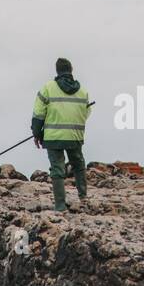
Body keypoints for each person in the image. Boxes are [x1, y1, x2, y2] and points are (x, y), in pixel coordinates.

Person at [31, 58, 91, 212]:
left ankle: (60, 206)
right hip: (74, 135)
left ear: (57, 71)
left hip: (53, 137)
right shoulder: (83, 92)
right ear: (71, 70)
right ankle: (83, 197)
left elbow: (38, 113)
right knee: (78, 165)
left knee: (57, 169)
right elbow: (86, 112)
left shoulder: (48, 88)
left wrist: (37, 133)